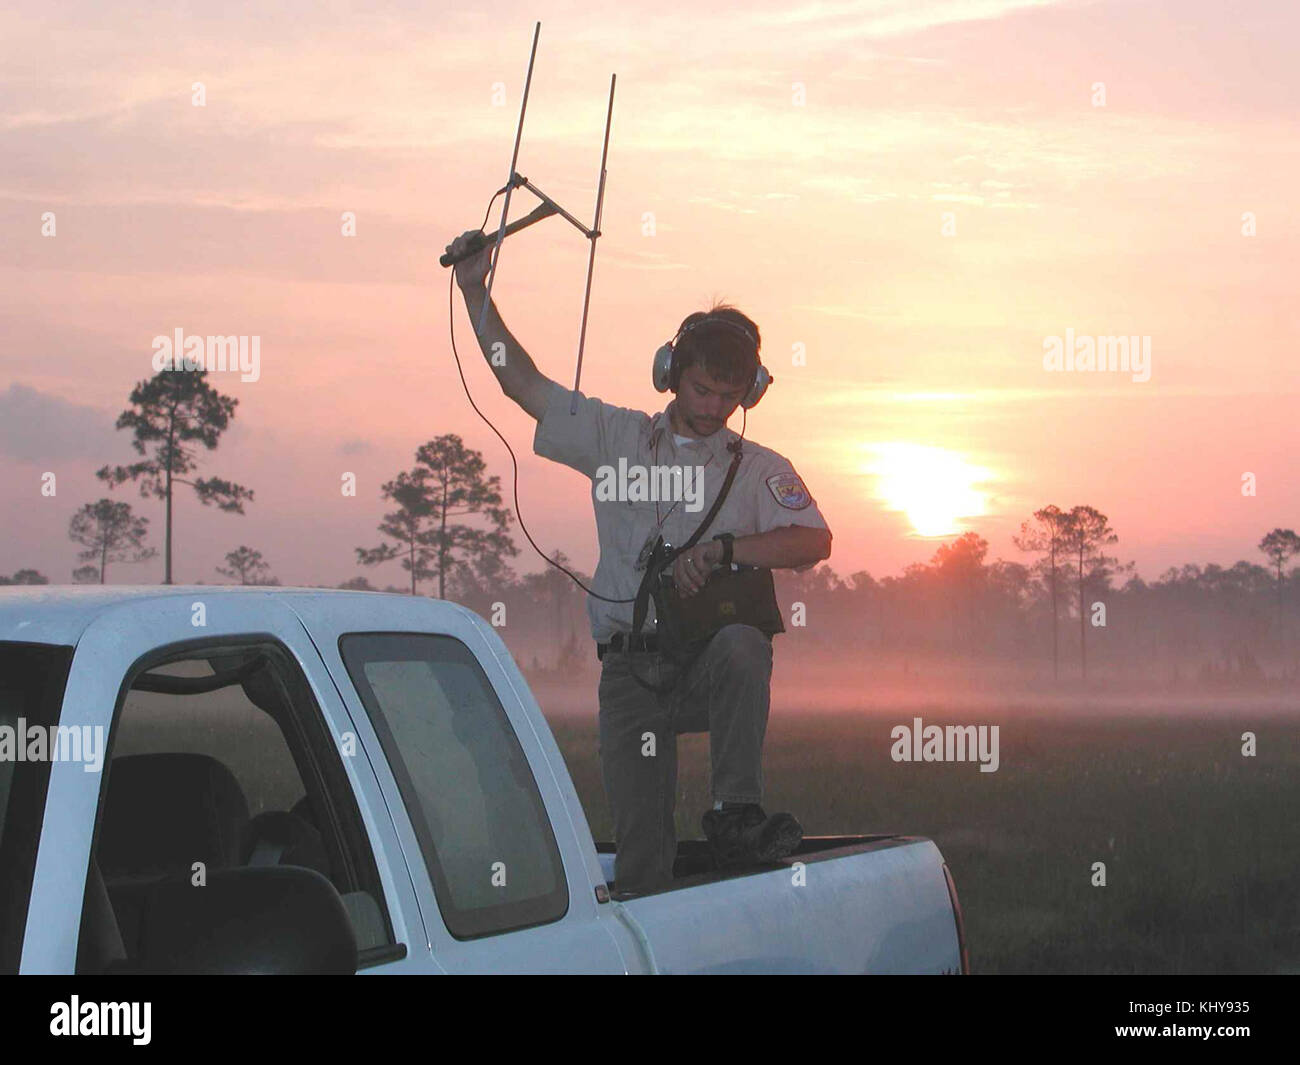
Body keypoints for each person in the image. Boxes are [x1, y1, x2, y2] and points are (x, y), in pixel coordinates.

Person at [446, 229, 832, 896]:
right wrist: (476, 290)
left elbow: (813, 539)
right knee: (642, 864)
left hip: (703, 663)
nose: (714, 407)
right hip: (628, 670)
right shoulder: (615, 436)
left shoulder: (758, 468)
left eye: (729, 394)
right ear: (671, 374)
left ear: (753, 391)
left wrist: (726, 551)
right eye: (703, 388)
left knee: (744, 644)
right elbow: (520, 381)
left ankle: (736, 811)